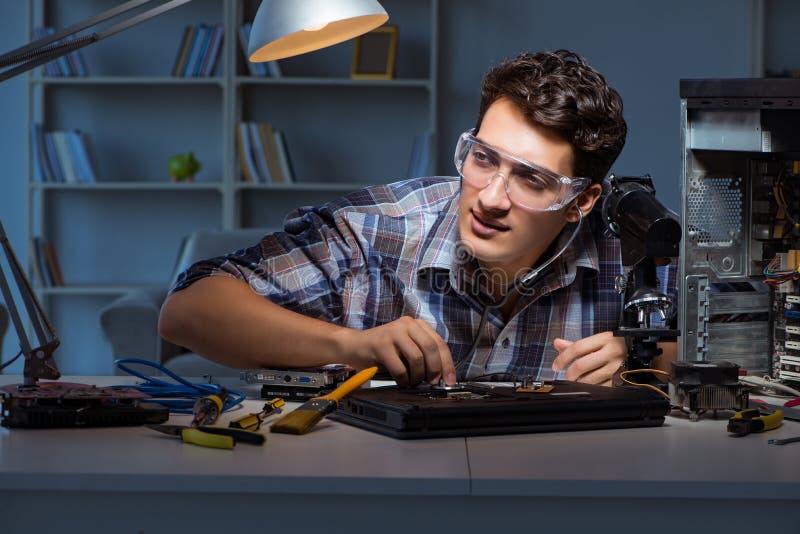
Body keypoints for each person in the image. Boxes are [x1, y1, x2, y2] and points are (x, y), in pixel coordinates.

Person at [158, 49, 677, 387]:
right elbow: (186, 313)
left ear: (582, 201)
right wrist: (354, 345)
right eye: (483, 159)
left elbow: (745, 351)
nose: (491, 198)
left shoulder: (631, 239)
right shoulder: (377, 227)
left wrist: (648, 359)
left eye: (532, 180)